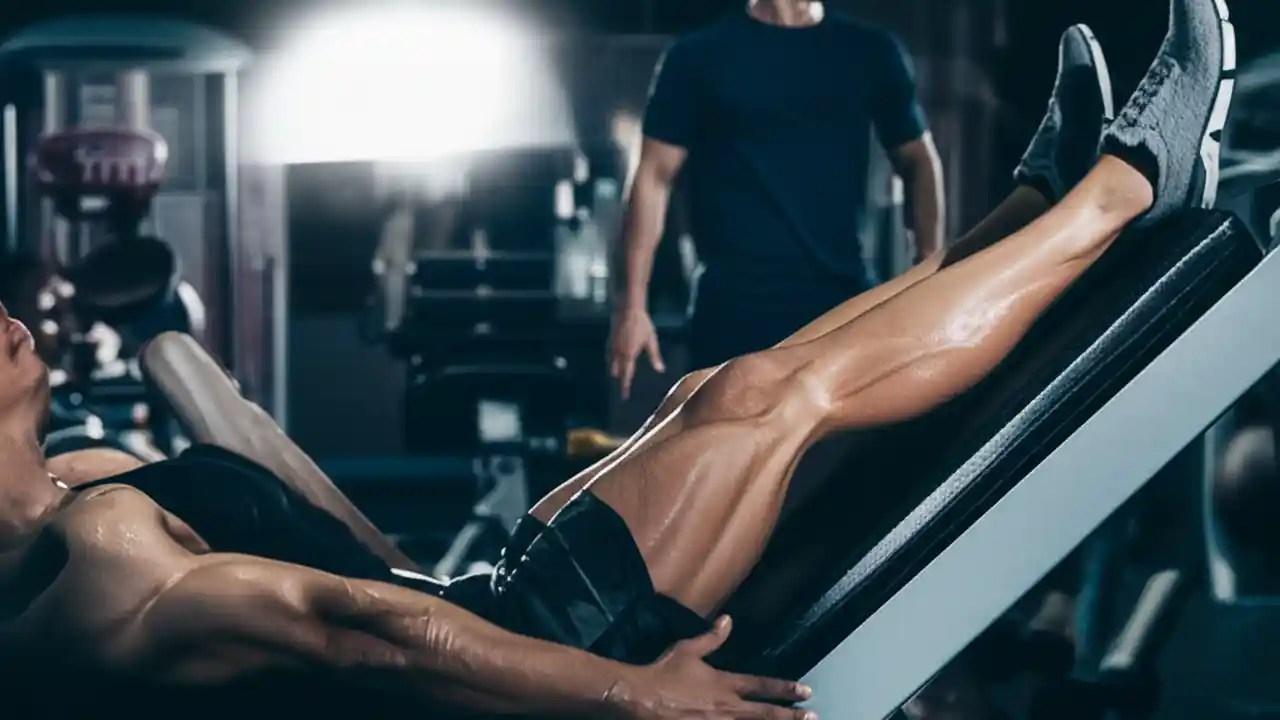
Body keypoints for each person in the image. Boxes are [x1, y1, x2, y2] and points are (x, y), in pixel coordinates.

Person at [0, 0, 1233, 716]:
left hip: (488, 598)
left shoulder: (87, 473)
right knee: (772, 398)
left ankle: (1021, 210)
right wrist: (633, 699)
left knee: (718, 386)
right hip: (541, 666)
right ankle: (1125, 191)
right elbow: (347, 624)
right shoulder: (92, 574)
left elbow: (332, 545)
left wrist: (199, 374)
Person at [609, 0, 947, 398]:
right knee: (730, 457)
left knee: (842, 458)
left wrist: (929, 270)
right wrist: (632, 305)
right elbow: (653, 176)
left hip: (840, 309)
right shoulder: (697, 57)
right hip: (732, 314)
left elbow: (918, 160)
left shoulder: (870, 51)